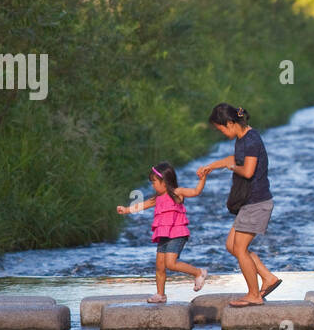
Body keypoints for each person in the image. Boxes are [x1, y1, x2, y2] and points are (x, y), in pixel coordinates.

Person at [198, 103, 280, 307]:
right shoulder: (242, 138)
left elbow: (248, 171)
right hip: (249, 202)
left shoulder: (251, 140)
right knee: (231, 246)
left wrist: (231, 167)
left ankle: (254, 294)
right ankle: (267, 277)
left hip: (257, 202)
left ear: (231, 123)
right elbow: (234, 159)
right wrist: (211, 166)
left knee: (240, 249)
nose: (222, 133)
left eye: (222, 129)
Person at [117, 161, 210, 303]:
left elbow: (196, 191)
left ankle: (199, 272)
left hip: (177, 234)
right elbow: (142, 205)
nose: (152, 185)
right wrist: (126, 210)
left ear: (165, 182)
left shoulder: (177, 193)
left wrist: (202, 179)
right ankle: (161, 295)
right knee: (160, 267)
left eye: (154, 182)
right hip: (163, 235)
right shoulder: (157, 198)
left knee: (171, 264)